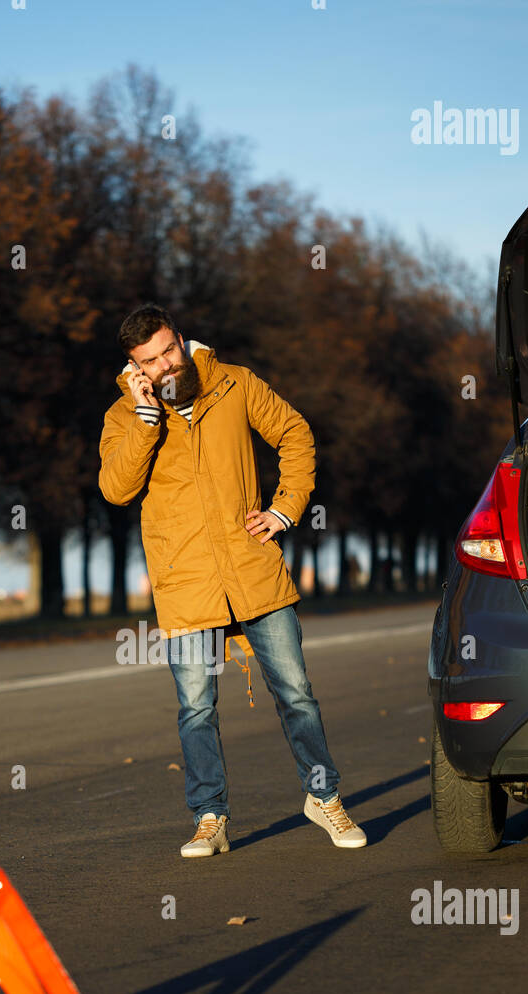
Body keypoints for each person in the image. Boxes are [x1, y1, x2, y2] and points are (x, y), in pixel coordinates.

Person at [98, 303, 366, 857]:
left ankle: (324, 798)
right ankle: (210, 817)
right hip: (186, 582)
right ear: (134, 367)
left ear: (181, 338)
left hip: (252, 569)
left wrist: (285, 509)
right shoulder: (124, 417)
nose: (165, 366)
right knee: (196, 707)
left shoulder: (234, 385)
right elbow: (116, 489)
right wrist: (147, 421)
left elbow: (295, 433)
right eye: (149, 361)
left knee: (296, 694)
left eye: (169, 350)